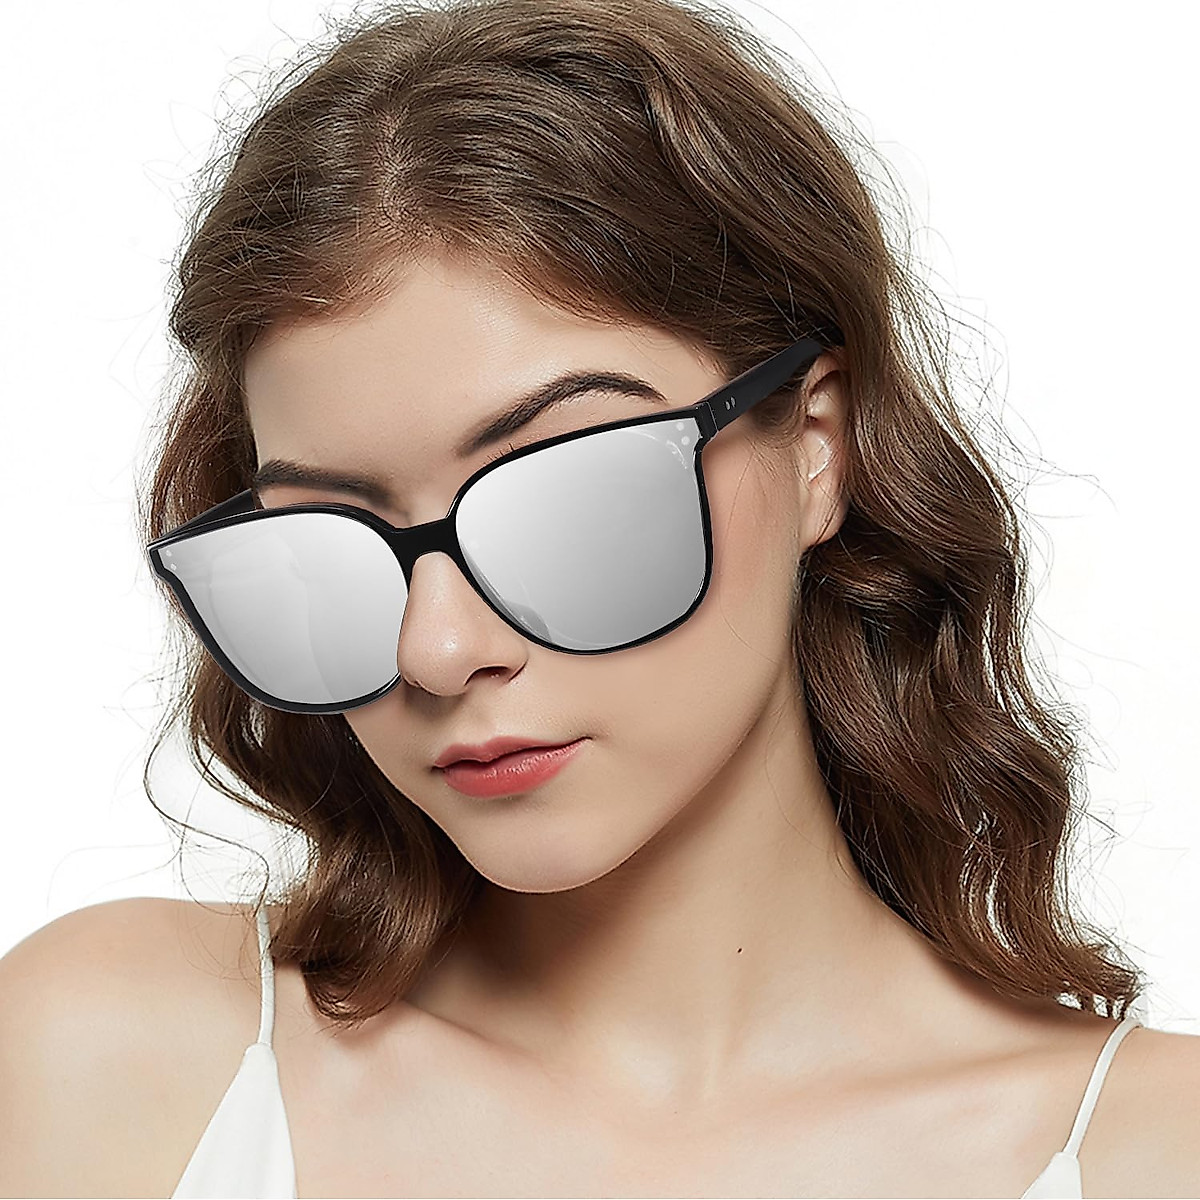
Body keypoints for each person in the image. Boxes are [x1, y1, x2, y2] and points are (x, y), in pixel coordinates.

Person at [1, 0, 1197, 1196]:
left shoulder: (1152, 1152)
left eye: (560, 494)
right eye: (331, 541)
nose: (437, 648)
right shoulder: (119, 1054)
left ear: (815, 448)